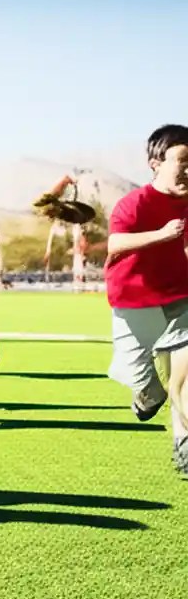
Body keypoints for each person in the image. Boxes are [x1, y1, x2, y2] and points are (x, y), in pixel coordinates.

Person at [102, 124, 188, 475]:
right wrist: (162, 234)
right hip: (133, 302)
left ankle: (183, 445)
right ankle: (149, 395)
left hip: (181, 298)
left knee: (183, 380)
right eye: (183, 160)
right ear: (155, 162)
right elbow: (114, 245)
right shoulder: (133, 204)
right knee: (149, 384)